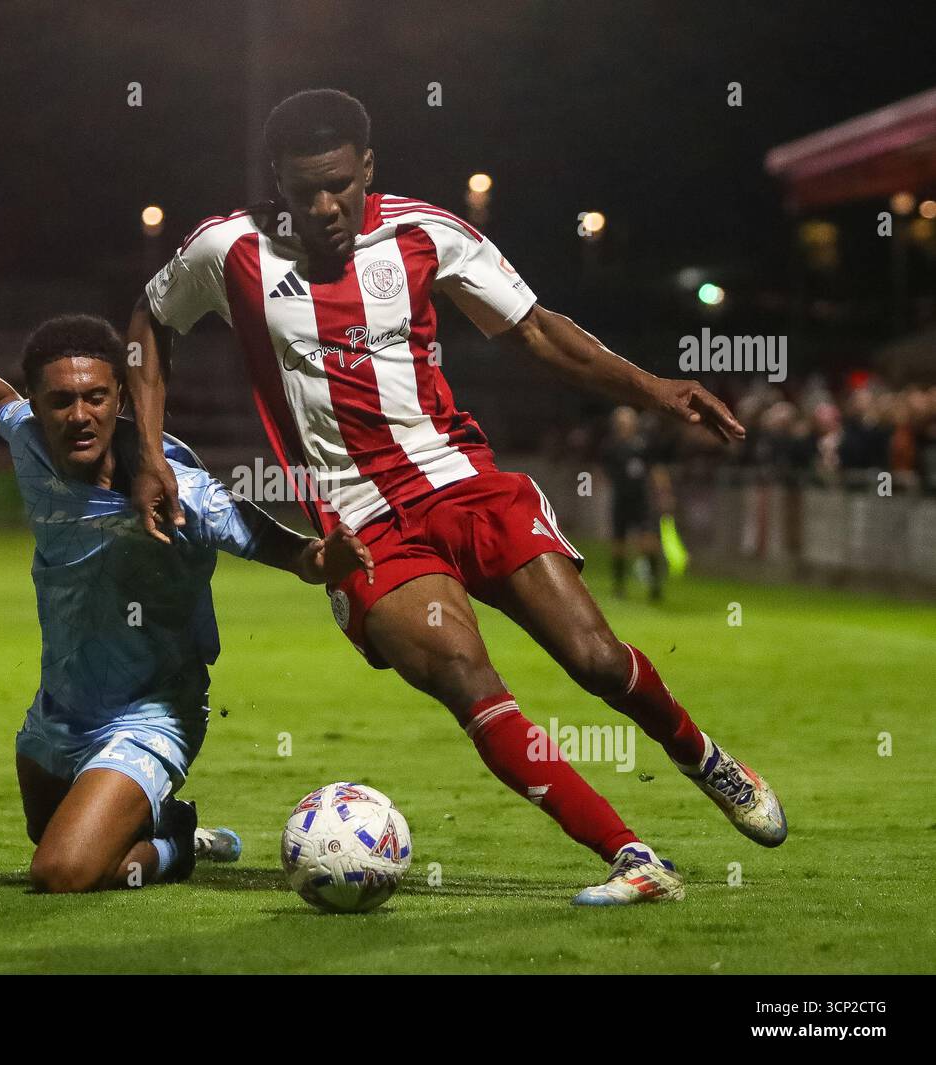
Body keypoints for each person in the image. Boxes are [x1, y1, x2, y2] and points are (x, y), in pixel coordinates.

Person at [124, 89, 786, 906]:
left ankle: (706, 759)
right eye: (305, 192)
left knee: (597, 660)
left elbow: (537, 330)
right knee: (468, 680)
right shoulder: (227, 250)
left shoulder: (426, 232)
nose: (326, 207)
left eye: (341, 184)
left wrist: (654, 389)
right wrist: (149, 452)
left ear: (368, 167)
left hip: (463, 484)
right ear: (278, 184)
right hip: (363, 527)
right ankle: (634, 857)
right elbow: (148, 324)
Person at [0, 295, 373, 893]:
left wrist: (327, 557)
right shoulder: (30, 440)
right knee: (51, 832)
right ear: (39, 406)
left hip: (151, 714)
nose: (78, 414)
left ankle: (173, 845)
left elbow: (297, 556)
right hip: (60, 707)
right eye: (59, 400)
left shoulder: (179, 491)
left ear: (122, 400)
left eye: (96, 397)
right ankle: (162, 821)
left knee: (62, 871)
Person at [601, 406, 670, 599]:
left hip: (642, 501)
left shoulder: (644, 444)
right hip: (621, 501)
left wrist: (664, 494)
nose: (624, 426)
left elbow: (657, 470)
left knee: (648, 542)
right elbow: (604, 474)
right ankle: (619, 586)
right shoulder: (610, 447)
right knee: (619, 544)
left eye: (628, 421)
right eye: (621, 422)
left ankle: (655, 586)